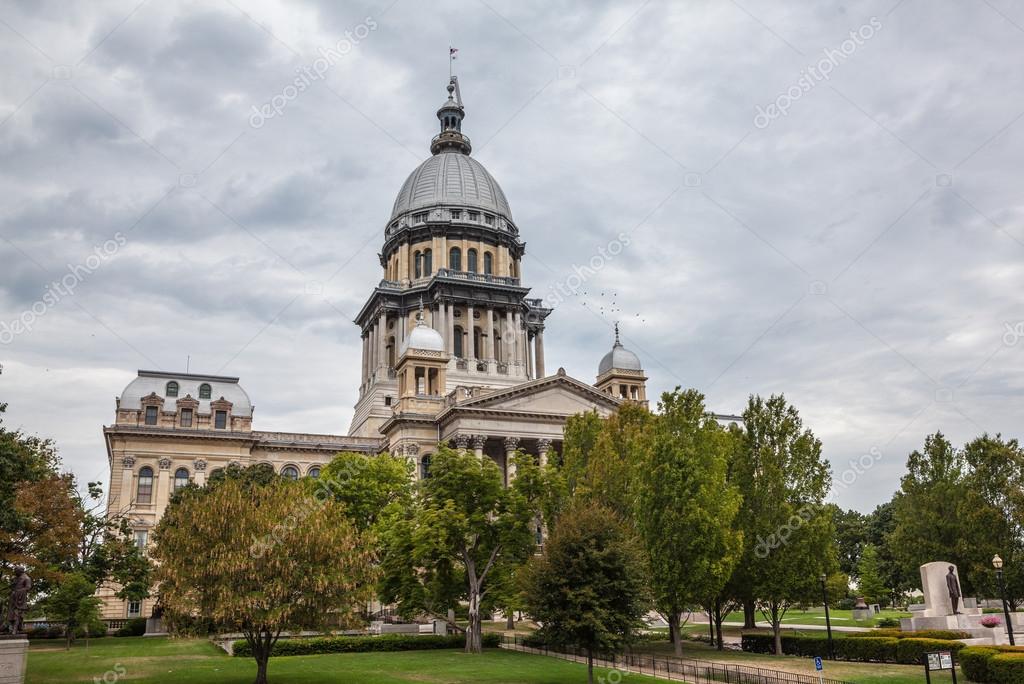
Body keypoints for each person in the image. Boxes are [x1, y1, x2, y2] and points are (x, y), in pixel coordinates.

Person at [4, 566, 32, 634]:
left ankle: (15, 629)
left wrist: (17, 592)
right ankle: (11, 628)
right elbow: (12, 586)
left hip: (20, 599)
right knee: (10, 613)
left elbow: (28, 588)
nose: (14, 572)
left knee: (18, 614)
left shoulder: (26, 578)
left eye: (16, 571)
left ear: (20, 571)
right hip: (13, 598)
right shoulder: (15, 578)